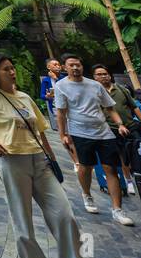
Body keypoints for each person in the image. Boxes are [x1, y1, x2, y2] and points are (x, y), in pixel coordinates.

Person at [0, 53, 102, 258]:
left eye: (12, 67)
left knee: (65, 216)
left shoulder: (25, 97)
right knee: (23, 218)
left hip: (39, 161)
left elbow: (40, 131)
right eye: (5, 69)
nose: (11, 72)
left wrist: (51, 157)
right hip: (12, 161)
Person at [54, 55, 135, 226]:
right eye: (71, 65)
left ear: (82, 66)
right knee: (86, 167)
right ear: (65, 67)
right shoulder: (61, 86)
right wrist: (63, 134)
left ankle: (117, 209)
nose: (75, 68)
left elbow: (109, 108)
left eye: (78, 64)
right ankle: (86, 194)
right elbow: (61, 112)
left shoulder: (95, 85)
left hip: (103, 131)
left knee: (111, 168)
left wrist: (119, 124)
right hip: (80, 131)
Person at [91, 64, 141, 196]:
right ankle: (129, 181)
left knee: (140, 152)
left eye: (105, 74)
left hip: (130, 126)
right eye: (99, 74)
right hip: (111, 130)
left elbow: (134, 106)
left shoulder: (120, 88)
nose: (103, 76)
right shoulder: (93, 94)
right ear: (94, 77)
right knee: (122, 157)